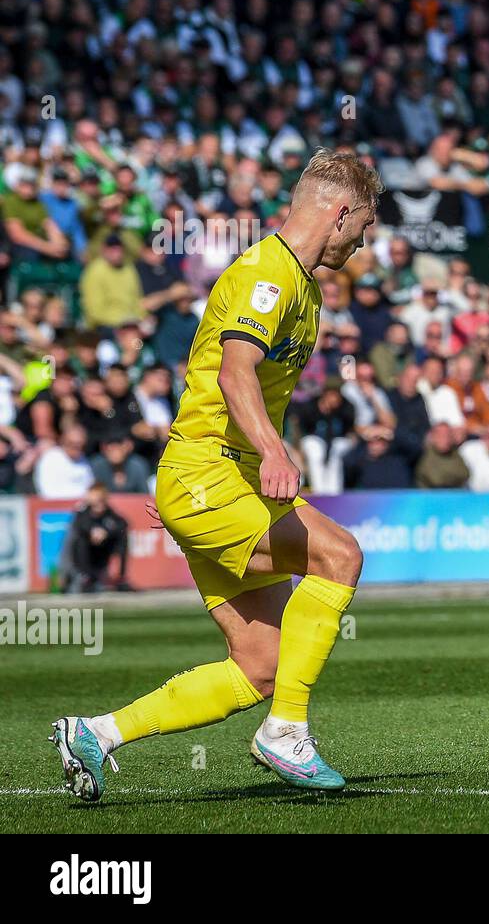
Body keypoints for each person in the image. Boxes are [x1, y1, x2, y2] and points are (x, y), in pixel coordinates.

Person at [50, 150, 382, 800]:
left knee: (261, 668)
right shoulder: (268, 272)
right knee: (339, 556)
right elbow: (235, 373)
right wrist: (271, 452)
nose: (364, 240)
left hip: (212, 479)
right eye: (363, 226)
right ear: (339, 212)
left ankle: (93, 734)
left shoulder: (302, 286)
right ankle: (286, 733)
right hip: (213, 476)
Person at [62, 484, 131, 594]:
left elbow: (123, 523)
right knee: (79, 539)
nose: (99, 504)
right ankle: (84, 577)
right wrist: (92, 532)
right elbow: (80, 525)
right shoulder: (82, 512)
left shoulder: (109, 513)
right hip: (83, 556)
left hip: (101, 553)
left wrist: (106, 532)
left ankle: (121, 577)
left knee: (122, 535)